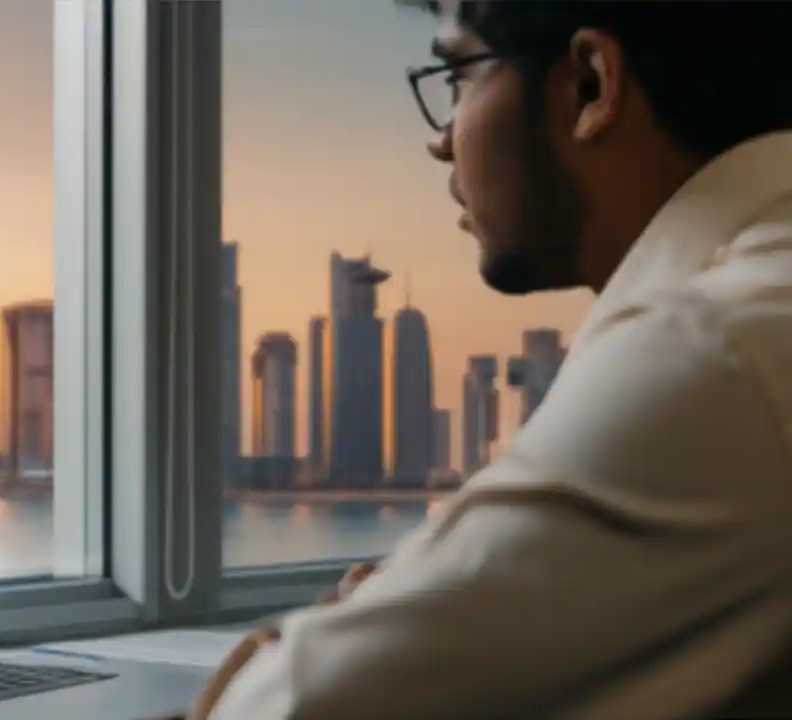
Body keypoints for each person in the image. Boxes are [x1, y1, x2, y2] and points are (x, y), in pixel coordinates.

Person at [192, 1, 792, 717]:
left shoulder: (716, 357)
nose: (441, 142)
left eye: (457, 77)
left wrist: (375, 610)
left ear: (589, 87)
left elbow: (299, 705)